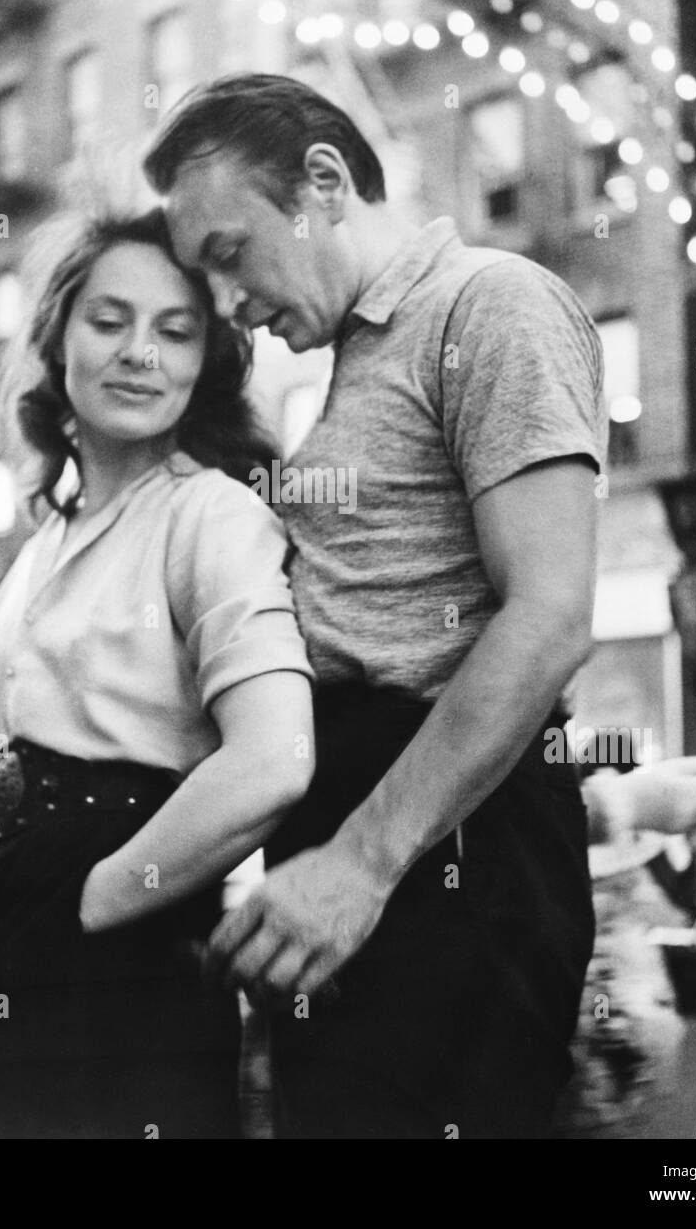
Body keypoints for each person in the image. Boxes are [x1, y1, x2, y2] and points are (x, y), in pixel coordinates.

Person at [144, 73, 605, 1138]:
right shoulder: (354, 357)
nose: (228, 306)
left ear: (321, 181)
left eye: (228, 254)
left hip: (453, 857)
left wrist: (359, 862)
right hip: (371, 841)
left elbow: (548, 616)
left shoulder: (492, 301)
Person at [0, 208, 315, 1138]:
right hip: (1, 902)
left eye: (176, 332)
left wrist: (99, 901)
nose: (141, 353)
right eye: (110, 321)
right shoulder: (47, 538)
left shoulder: (209, 514)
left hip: (120, 946)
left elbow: (274, 759)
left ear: (205, 363)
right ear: (56, 341)